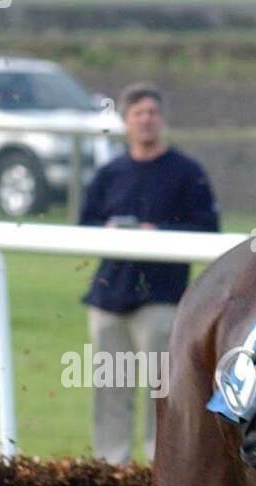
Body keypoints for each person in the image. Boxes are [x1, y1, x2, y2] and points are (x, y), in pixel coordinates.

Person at [79, 83, 220, 464]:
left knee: (164, 389)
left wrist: (158, 234)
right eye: (138, 113)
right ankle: (111, 466)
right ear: (126, 122)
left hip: (161, 299)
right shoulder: (109, 174)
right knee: (110, 385)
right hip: (109, 298)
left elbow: (207, 229)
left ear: (162, 119)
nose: (146, 120)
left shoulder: (186, 173)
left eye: (152, 113)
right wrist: (108, 231)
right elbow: (84, 225)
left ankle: (162, 467)